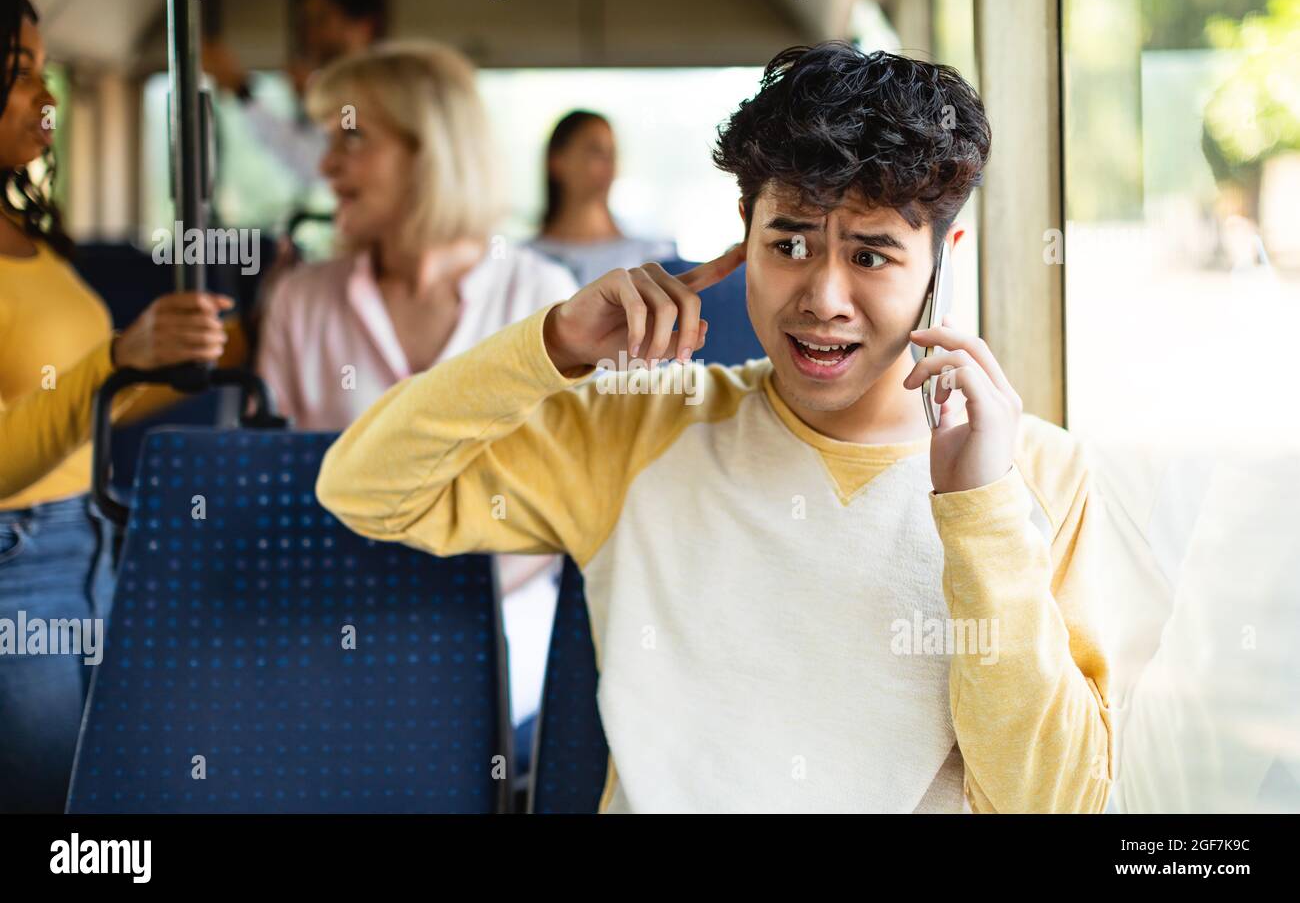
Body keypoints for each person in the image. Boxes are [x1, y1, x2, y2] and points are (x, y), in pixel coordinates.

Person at [315, 41, 1115, 813]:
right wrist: (550, 343)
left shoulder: (1030, 478)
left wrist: (981, 513)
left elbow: (1051, 803)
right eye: (790, 243)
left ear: (946, 259)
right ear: (745, 232)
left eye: (871, 257)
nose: (824, 297)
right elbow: (364, 488)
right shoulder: (635, 430)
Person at [254, 41, 578, 759]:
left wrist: (443, 593)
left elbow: (562, 500)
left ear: (428, 153)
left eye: (351, 138)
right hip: (330, 619)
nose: (325, 166)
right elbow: (274, 481)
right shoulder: (298, 300)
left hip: (506, 622)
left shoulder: (542, 297)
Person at [0, 0, 242, 813]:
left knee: (108, 794)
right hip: (15, 565)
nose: (47, 94)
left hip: (94, 536)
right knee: (48, 801)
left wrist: (162, 366)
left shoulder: (28, 235)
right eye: (23, 70)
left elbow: (76, 407)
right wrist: (118, 357)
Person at [203, 0, 390, 189]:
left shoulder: (387, 88)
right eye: (305, 22)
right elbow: (311, 158)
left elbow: (316, 164)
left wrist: (244, 92)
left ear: (365, 25)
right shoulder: (345, 91)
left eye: (321, 19)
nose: (309, 34)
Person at [527, 110, 676, 285]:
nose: (609, 163)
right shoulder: (523, 260)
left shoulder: (653, 257)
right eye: (595, 151)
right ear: (556, 161)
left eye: (612, 153)